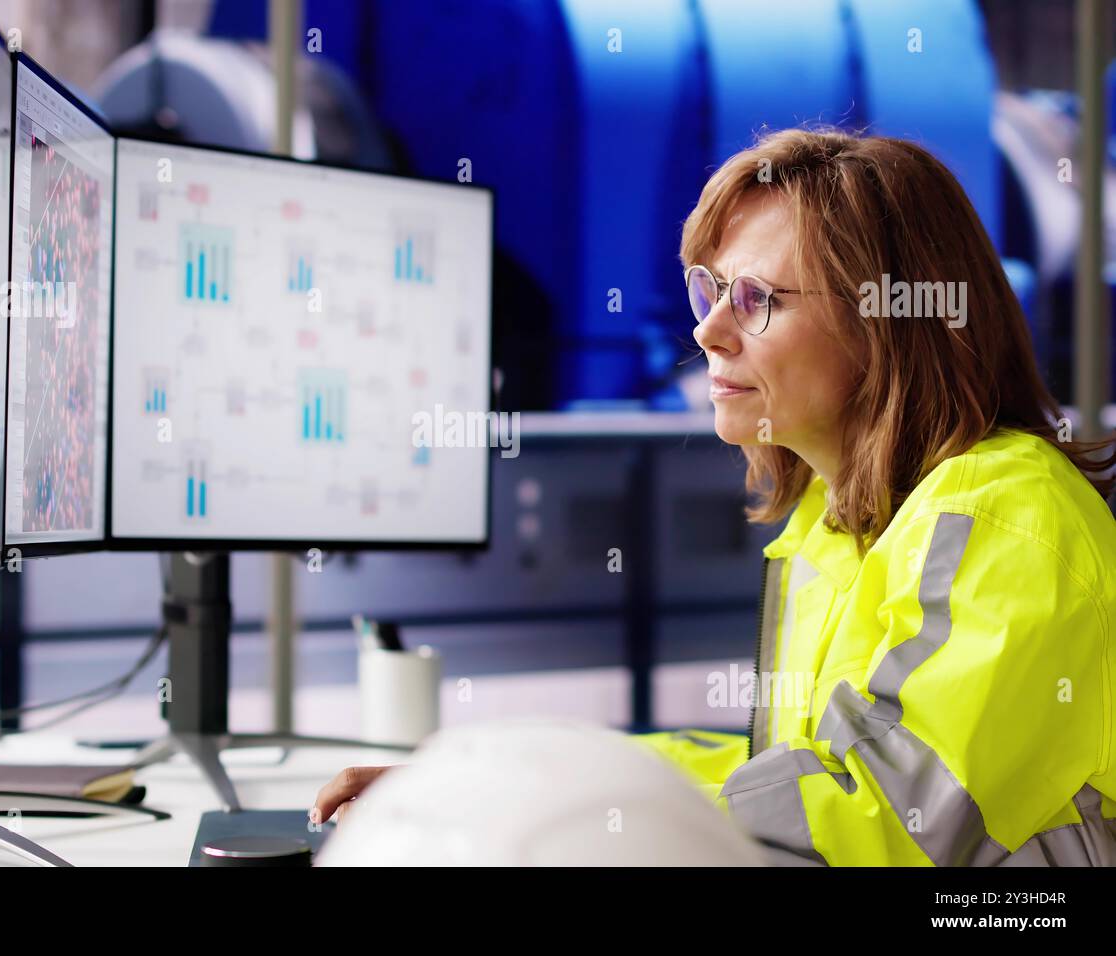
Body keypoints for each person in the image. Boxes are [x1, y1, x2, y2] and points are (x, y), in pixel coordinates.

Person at [310, 128, 1116, 866]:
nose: (707, 332)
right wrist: (485, 776)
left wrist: (554, 807)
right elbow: (788, 777)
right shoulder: (834, 524)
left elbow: (879, 820)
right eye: (712, 289)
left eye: (758, 299)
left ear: (888, 322)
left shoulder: (1006, 515)